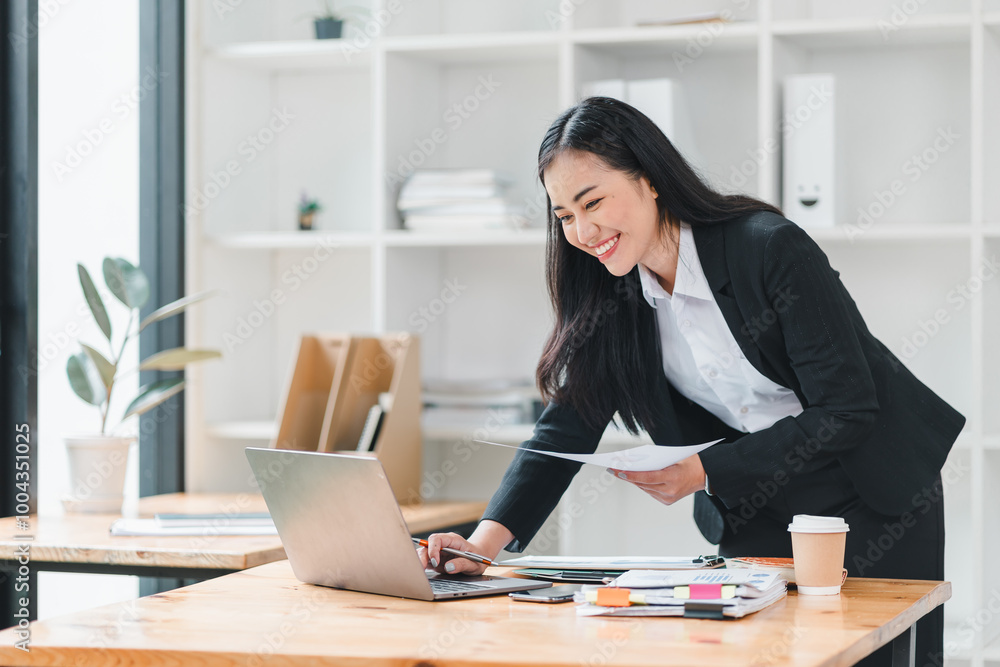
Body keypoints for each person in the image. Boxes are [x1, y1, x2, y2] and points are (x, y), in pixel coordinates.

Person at [418, 97, 964, 667]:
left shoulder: (768, 248)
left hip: (870, 491)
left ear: (650, 180)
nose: (582, 230)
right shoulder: (616, 291)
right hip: (758, 501)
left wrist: (702, 471)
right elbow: (568, 423)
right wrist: (481, 547)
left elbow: (847, 408)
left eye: (593, 201)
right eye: (564, 216)